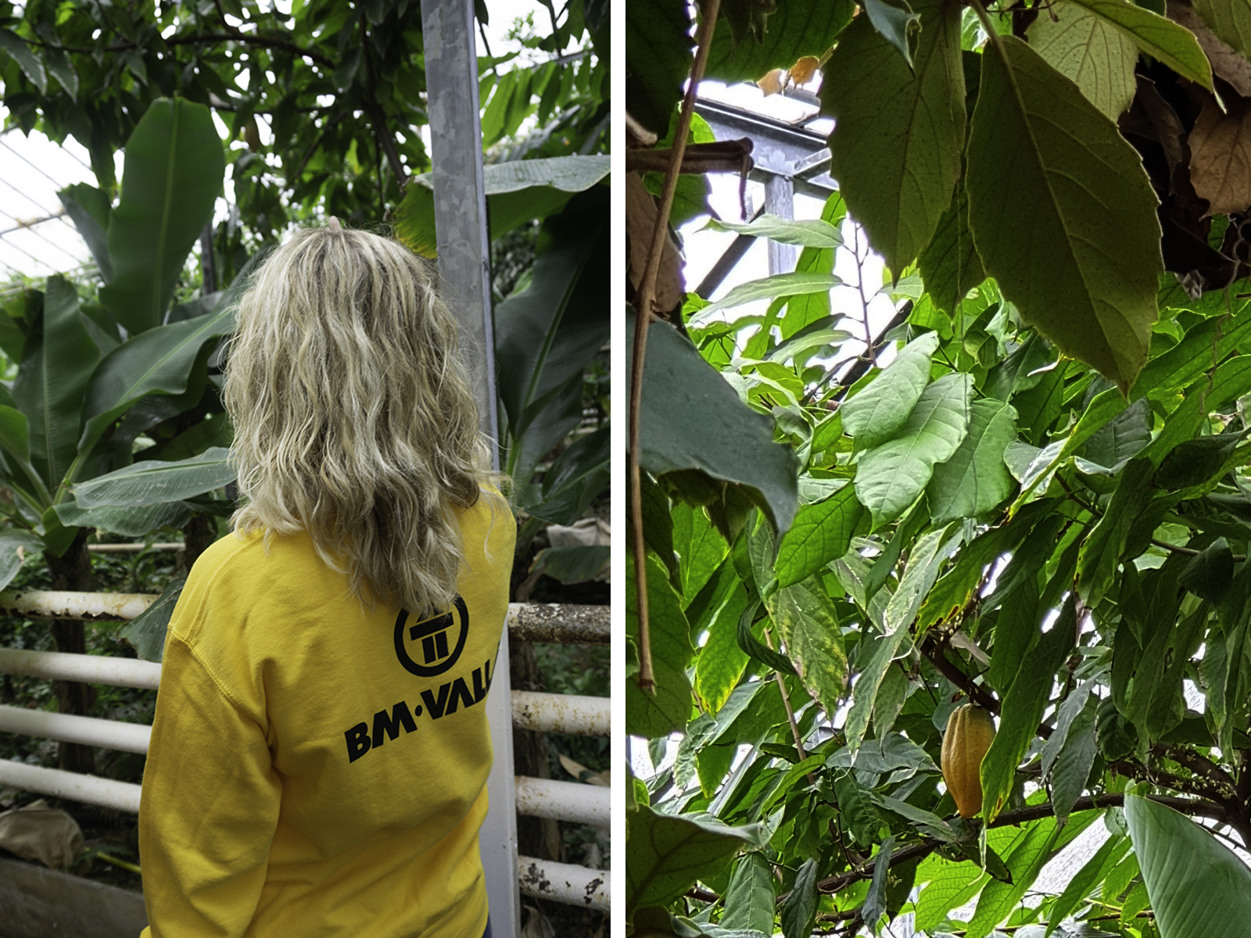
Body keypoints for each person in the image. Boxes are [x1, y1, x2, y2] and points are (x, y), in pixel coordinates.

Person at [137, 221, 514, 938]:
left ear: (272, 373)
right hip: (461, 918)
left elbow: (197, 866)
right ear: (428, 359)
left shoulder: (238, 590)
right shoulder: (488, 526)